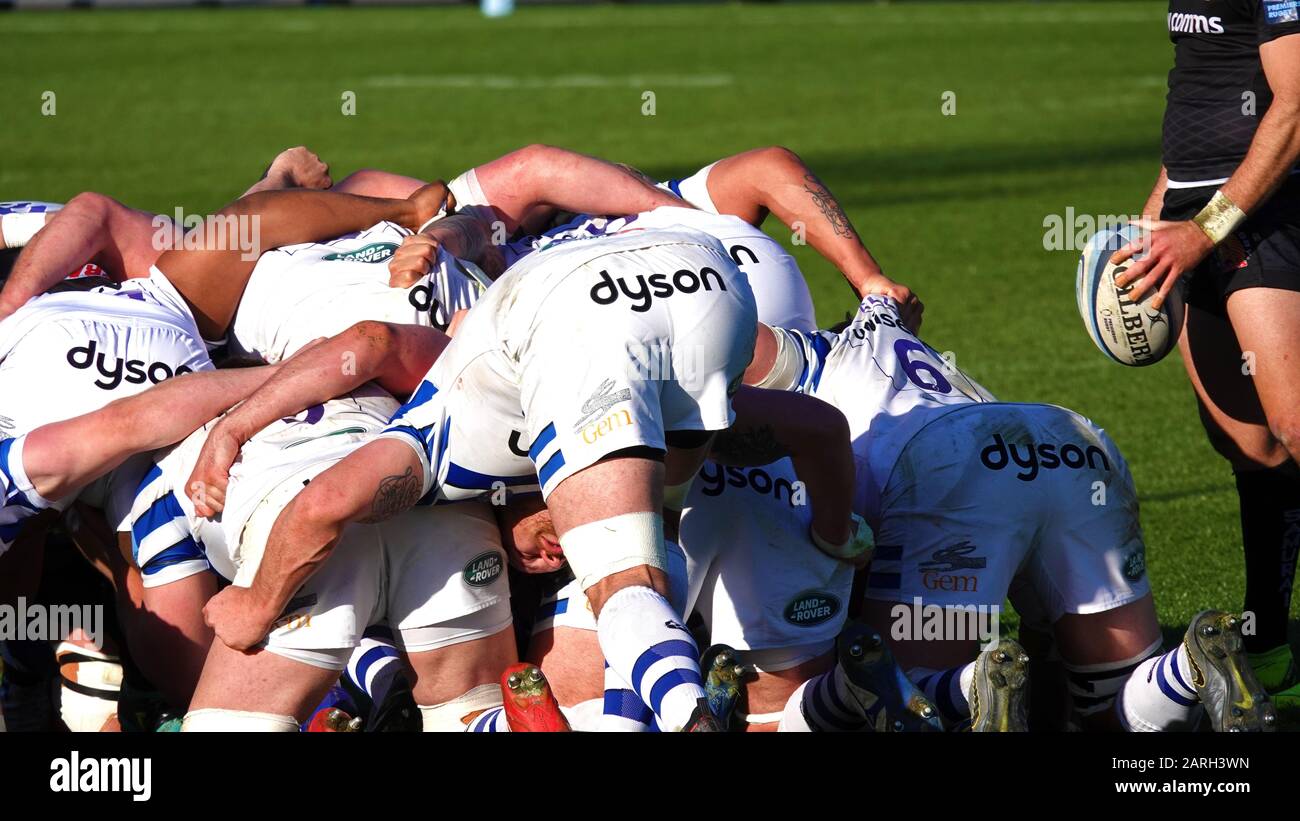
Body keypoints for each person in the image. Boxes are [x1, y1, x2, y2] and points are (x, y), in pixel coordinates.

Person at [1110, 0, 1300, 706]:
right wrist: (1154, 215)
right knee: (1251, 447)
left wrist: (1205, 229)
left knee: (1294, 426)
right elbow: (1195, 89)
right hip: (1189, 219)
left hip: (1267, 216)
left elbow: (1294, 108)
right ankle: (1272, 642)